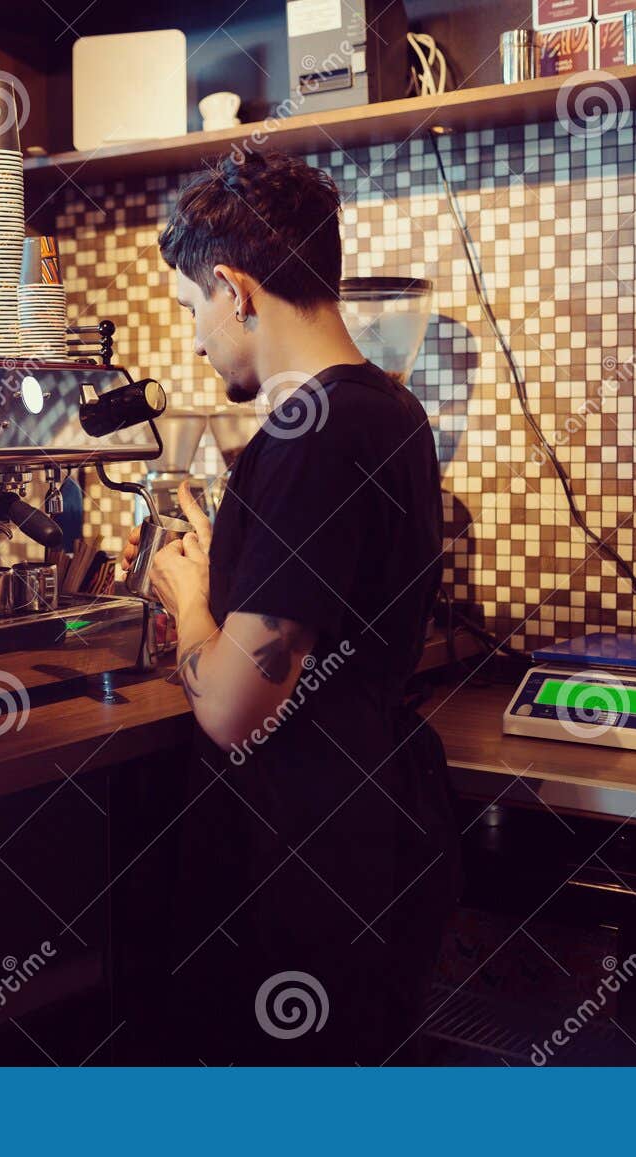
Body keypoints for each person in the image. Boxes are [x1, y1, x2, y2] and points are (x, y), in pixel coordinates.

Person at [122, 150, 461, 1064]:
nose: (196, 339)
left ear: (235, 289)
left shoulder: (313, 433)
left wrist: (191, 599)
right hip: (359, 833)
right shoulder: (389, 411)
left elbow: (236, 706)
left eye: (194, 308)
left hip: (301, 862)